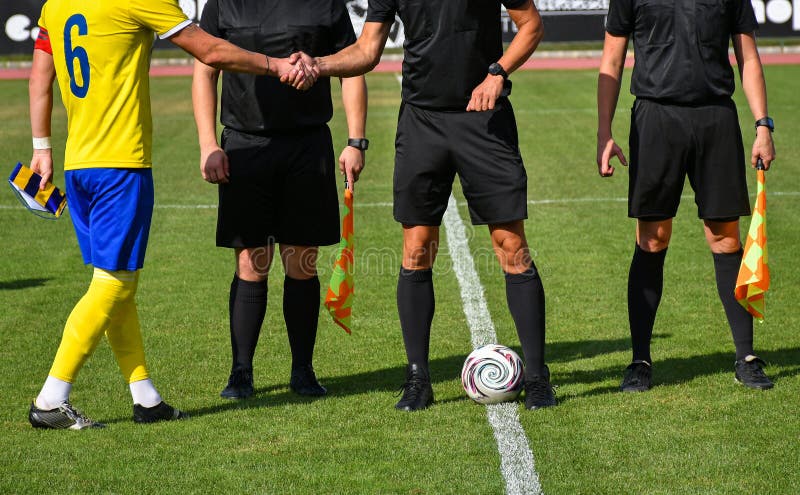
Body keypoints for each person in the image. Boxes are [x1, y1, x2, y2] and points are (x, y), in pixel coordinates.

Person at [27, 0, 313, 430]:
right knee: (112, 284)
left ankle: (146, 398)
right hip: (120, 165)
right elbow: (211, 52)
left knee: (117, 283)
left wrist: (41, 147)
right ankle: (52, 397)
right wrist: (275, 66)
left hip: (78, 164)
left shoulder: (55, 4)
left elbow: (38, 76)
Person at [287, 0, 553, 411]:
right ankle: (417, 379)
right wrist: (318, 65)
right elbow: (367, 49)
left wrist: (497, 74)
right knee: (416, 250)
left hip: (483, 120)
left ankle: (537, 379)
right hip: (421, 123)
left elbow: (531, 25)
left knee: (510, 247)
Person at [596, 0, 776, 391]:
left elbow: (748, 58)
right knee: (653, 238)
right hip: (655, 118)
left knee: (725, 236)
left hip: (716, 118)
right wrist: (604, 132)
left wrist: (763, 125)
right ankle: (640, 359)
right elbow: (611, 62)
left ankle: (746, 357)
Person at [191, 0, 367, 400]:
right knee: (251, 261)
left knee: (302, 261)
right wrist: (206, 143)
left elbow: (350, 66)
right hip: (245, 145)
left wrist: (356, 140)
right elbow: (205, 71)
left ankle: (303, 370)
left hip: (307, 145)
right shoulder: (225, 3)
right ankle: (241, 372)